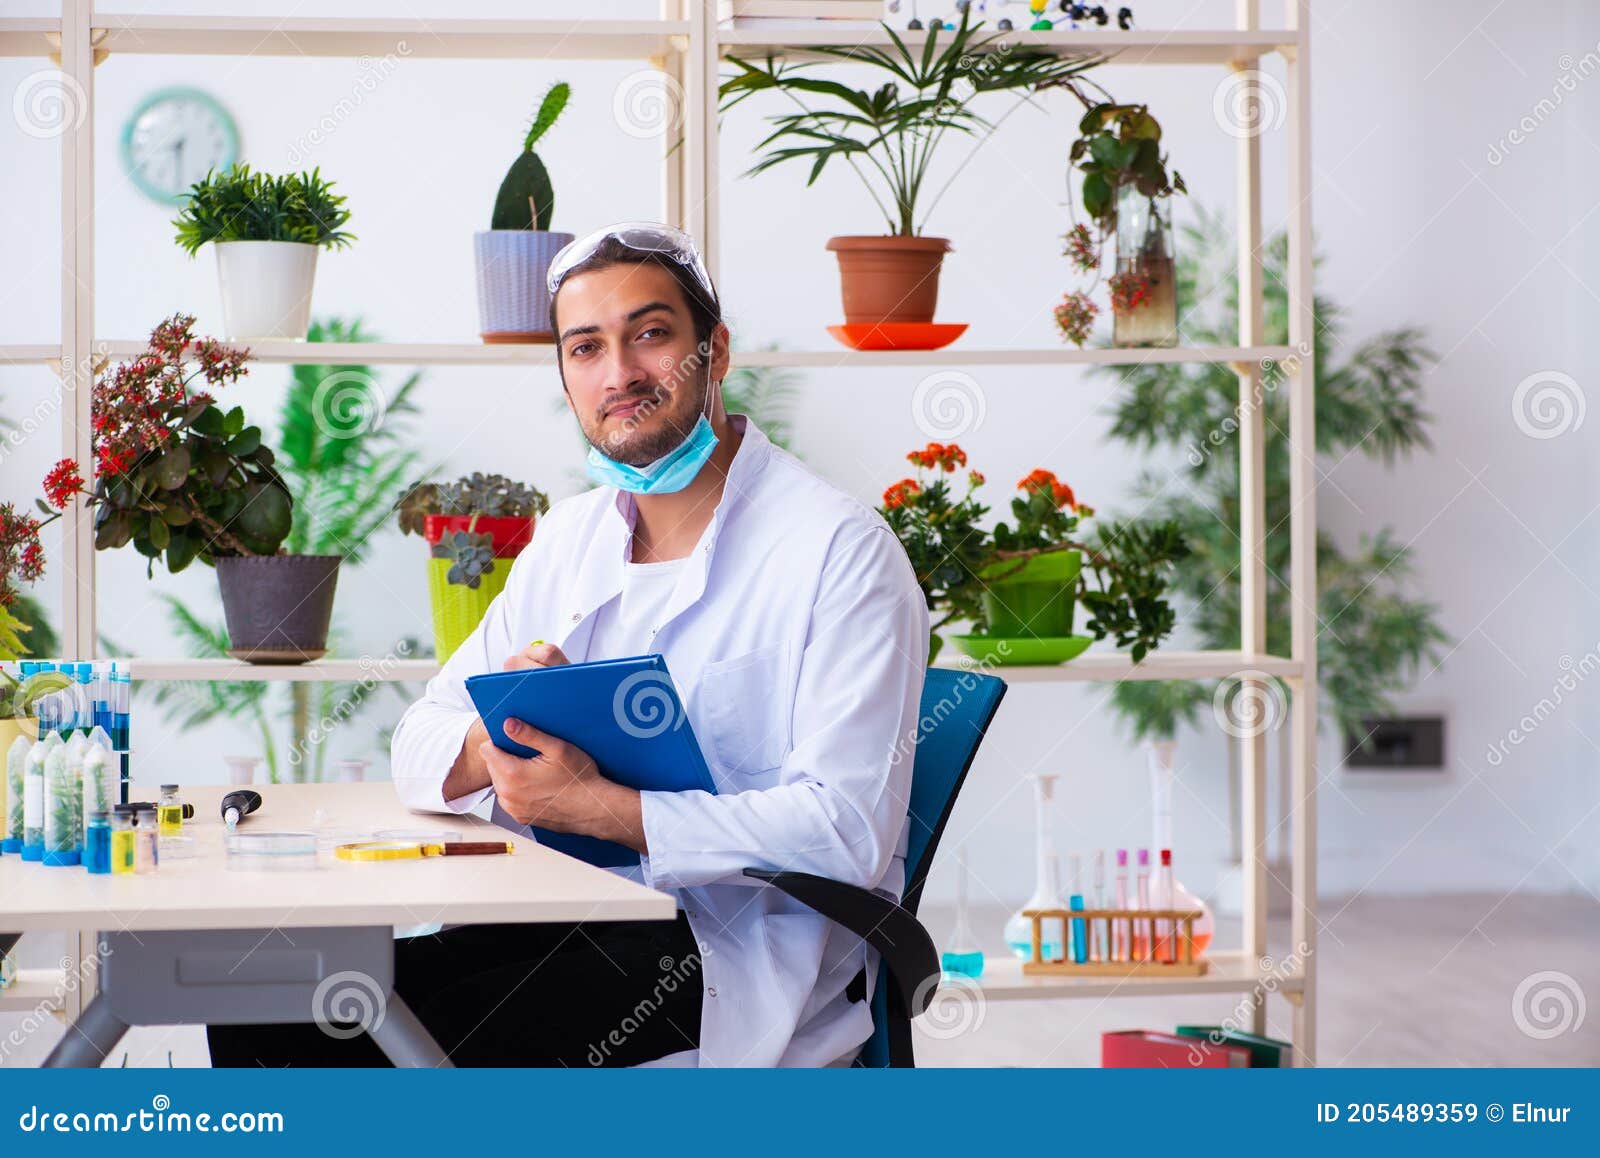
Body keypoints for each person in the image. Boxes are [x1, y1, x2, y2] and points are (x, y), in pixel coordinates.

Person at [206, 222, 929, 1069]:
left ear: (716, 351)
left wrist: (604, 810)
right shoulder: (571, 539)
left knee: (361, 1051)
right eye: (586, 348)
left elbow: (845, 830)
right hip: (568, 911)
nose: (619, 374)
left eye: (650, 335)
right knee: (262, 1010)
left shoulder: (838, 549)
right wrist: (489, 744)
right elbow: (421, 736)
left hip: (732, 954)